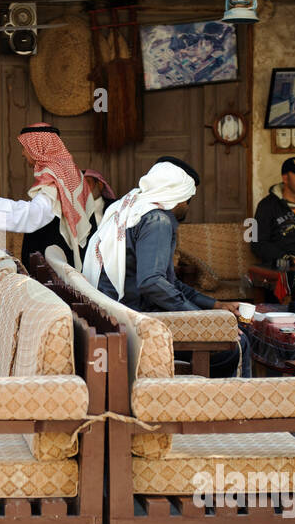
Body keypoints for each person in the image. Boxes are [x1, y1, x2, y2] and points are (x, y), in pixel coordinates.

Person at [82, 159, 248, 378]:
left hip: (115, 316)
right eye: (189, 199)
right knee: (238, 343)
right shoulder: (157, 221)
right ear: (178, 197)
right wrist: (204, 321)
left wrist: (214, 305)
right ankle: (226, 406)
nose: (188, 205)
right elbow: (152, 283)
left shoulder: (128, 208)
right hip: (135, 323)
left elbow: (166, 282)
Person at [0, 124, 101, 267]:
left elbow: (34, 214)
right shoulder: (71, 173)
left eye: (24, 147)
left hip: (56, 270)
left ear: (38, 148)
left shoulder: (54, 178)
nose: (23, 153)